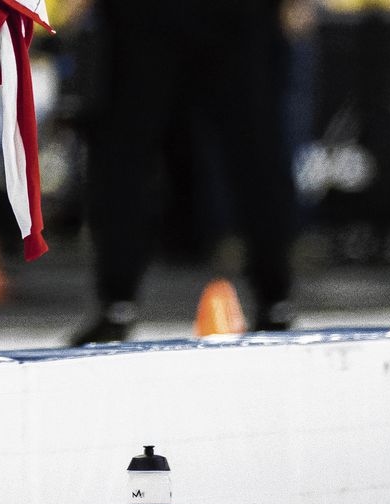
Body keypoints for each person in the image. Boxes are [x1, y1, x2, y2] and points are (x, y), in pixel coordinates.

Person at [71, 0, 297, 343]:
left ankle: (276, 296)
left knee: (252, 149)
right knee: (126, 153)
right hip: (156, 16)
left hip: (212, 17)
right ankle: (116, 301)